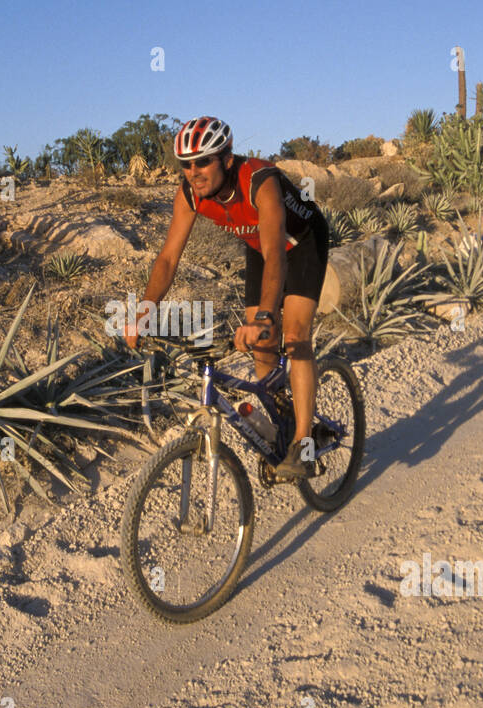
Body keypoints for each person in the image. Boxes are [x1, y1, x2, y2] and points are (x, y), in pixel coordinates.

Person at [124, 116, 329, 480]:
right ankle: (283, 421)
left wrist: (265, 316)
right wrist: (144, 310)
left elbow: (277, 253)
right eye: (186, 164)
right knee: (262, 350)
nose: (193, 171)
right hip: (261, 249)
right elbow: (168, 258)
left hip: (300, 244)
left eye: (203, 161)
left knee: (293, 334)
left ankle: (303, 444)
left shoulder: (260, 181)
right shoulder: (189, 195)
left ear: (227, 159)